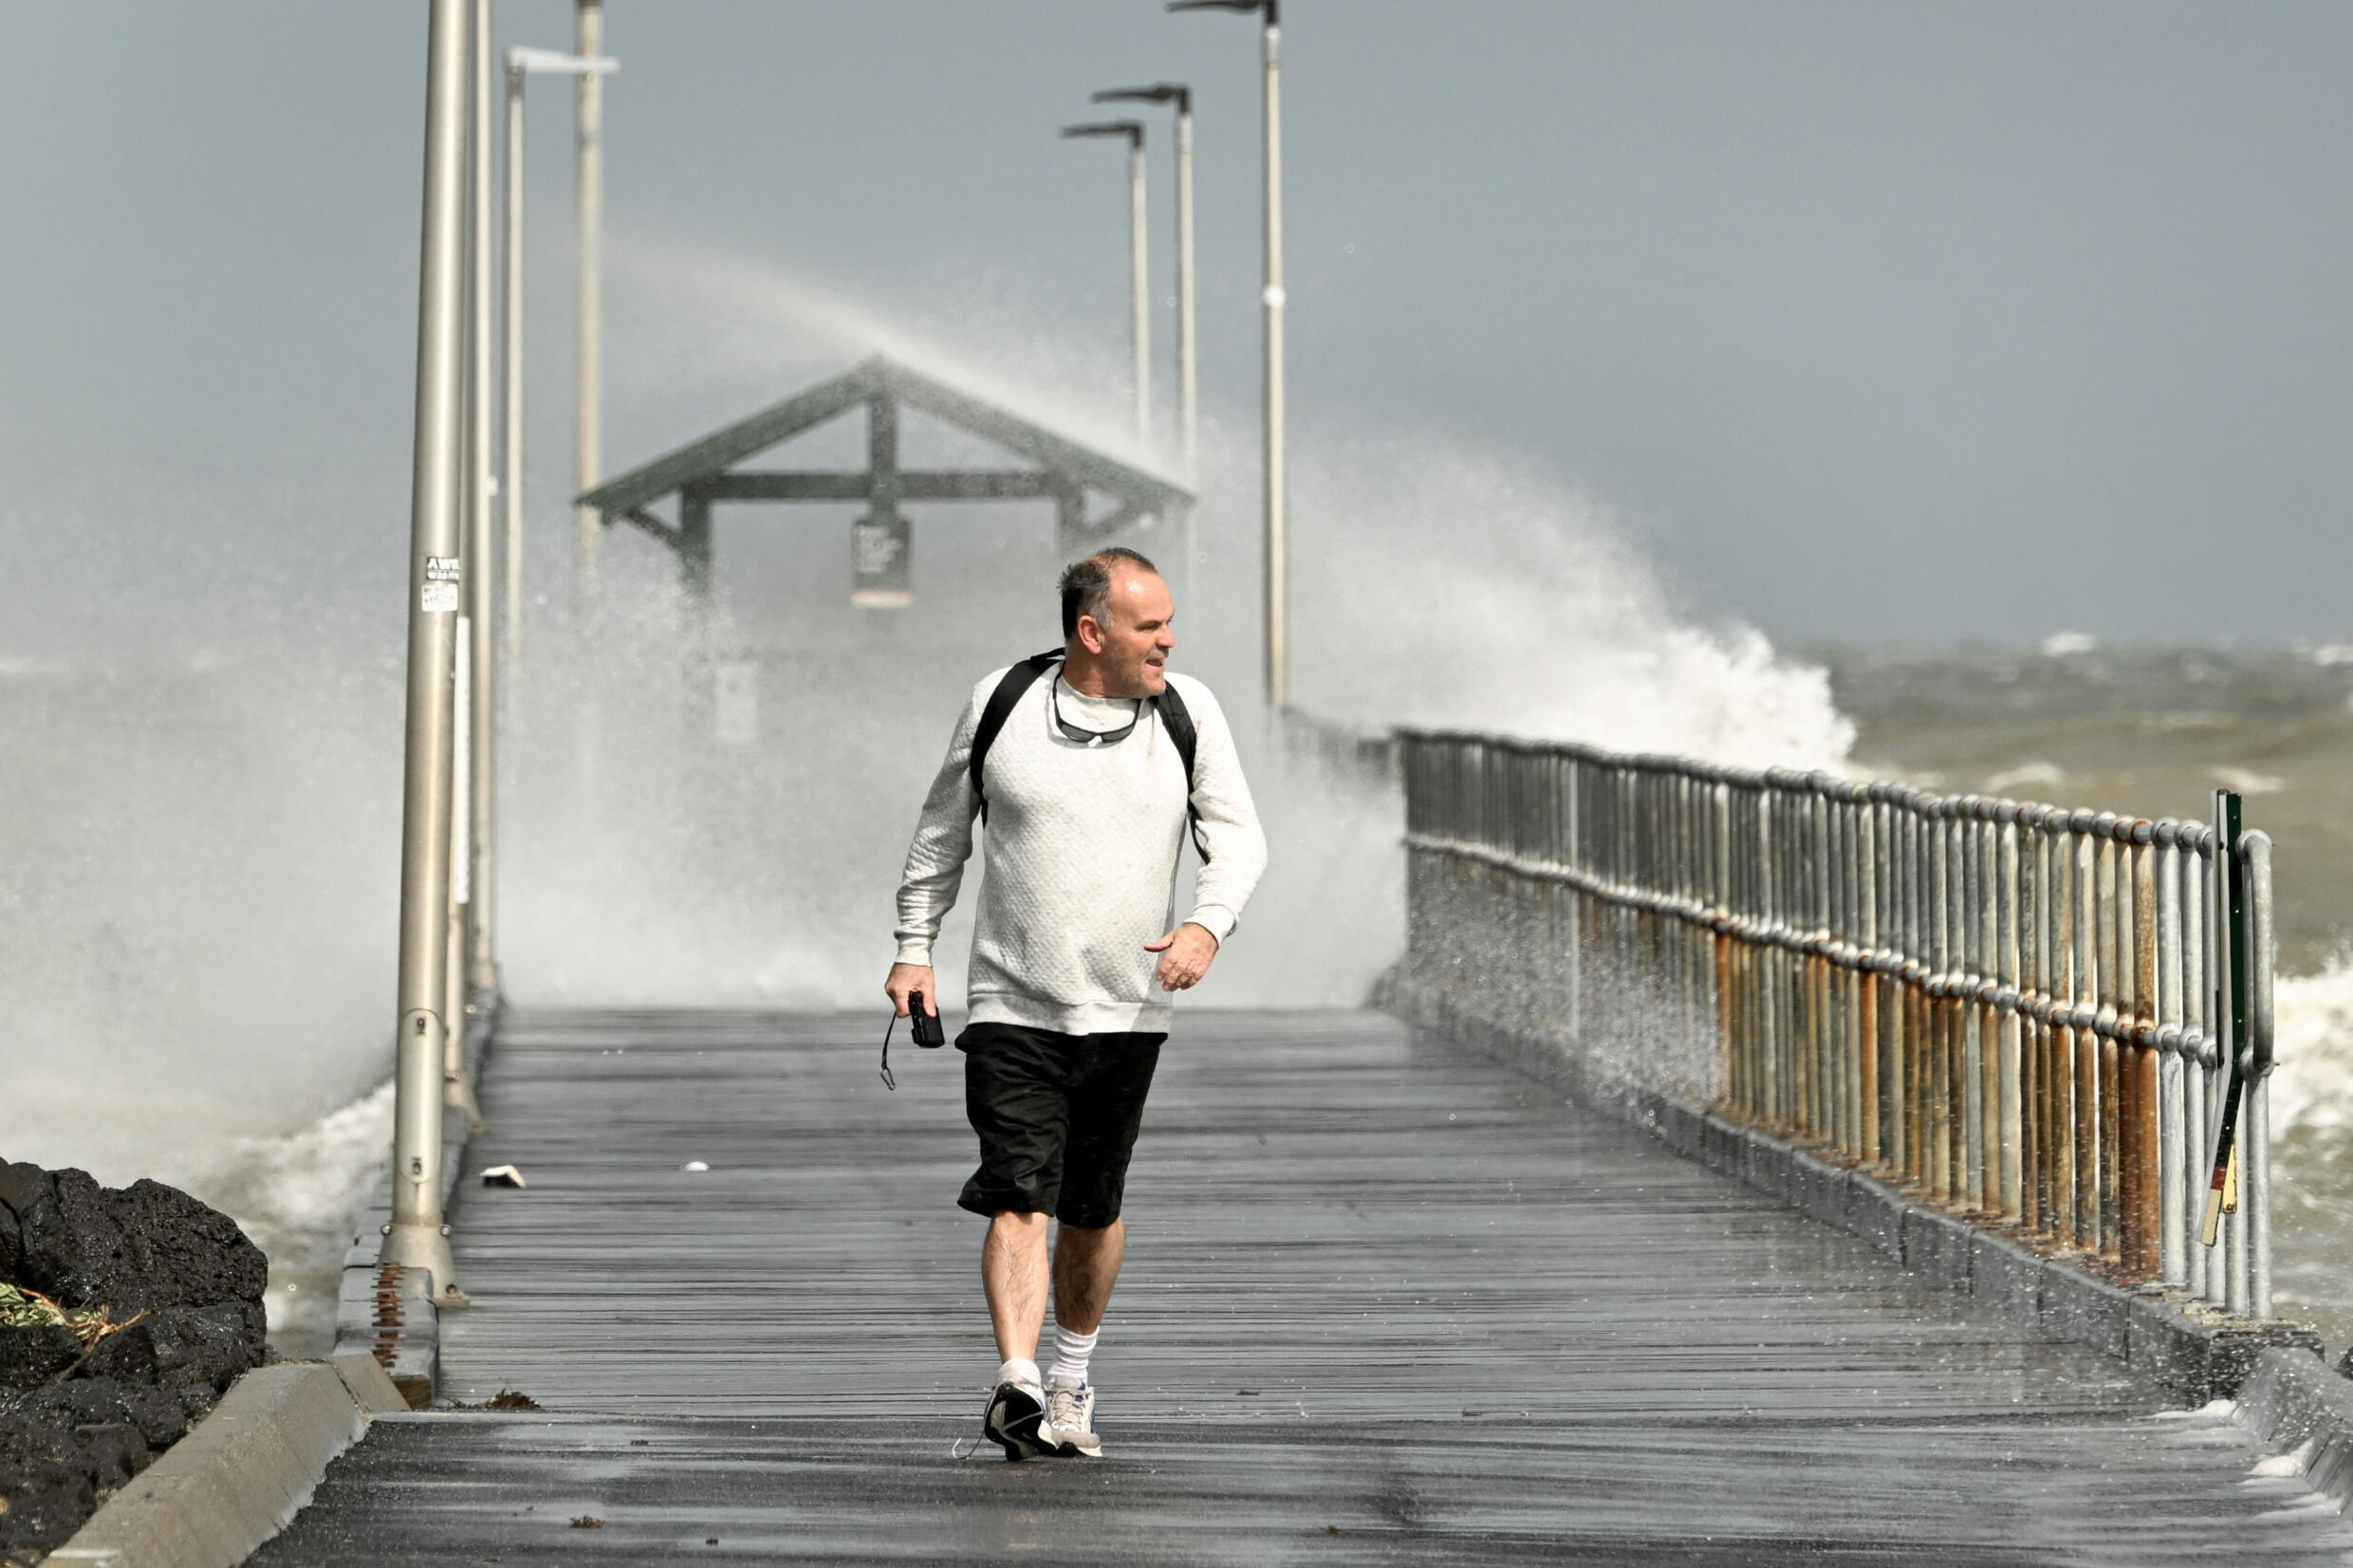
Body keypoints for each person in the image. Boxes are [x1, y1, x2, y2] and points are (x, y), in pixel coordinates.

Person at [885, 546, 1267, 1461]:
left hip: (1128, 1009)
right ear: (1092, 632)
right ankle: (1016, 1378)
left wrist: (1206, 927)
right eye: (1150, 626)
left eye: (1169, 623)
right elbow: (942, 835)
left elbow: (1242, 842)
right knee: (1019, 1191)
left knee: (1092, 1205)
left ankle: (1069, 1375)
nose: (1169, 639)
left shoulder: (1188, 713)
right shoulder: (1003, 704)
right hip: (1010, 1001)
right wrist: (912, 948)